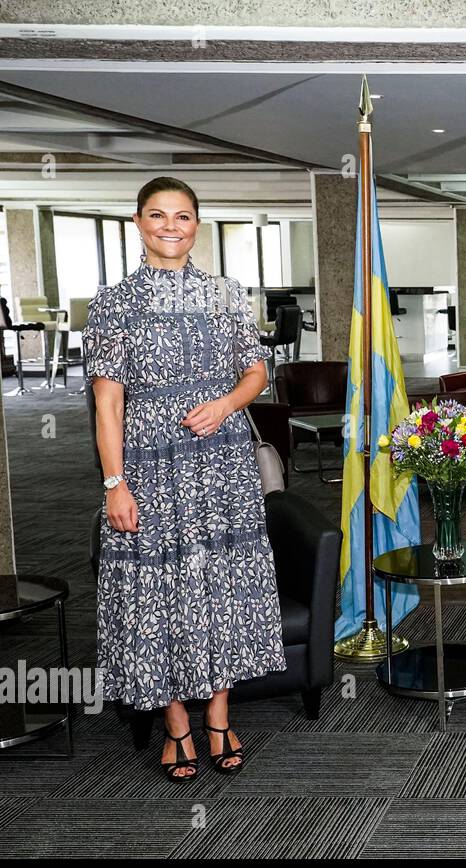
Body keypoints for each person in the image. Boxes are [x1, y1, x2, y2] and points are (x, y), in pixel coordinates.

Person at [85, 177, 285, 783]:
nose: (171, 226)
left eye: (183, 216)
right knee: (158, 592)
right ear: (138, 223)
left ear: (198, 224)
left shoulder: (227, 295)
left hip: (221, 465)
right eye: (157, 215)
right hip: (148, 467)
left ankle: (219, 717)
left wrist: (225, 405)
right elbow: (107, 405)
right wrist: (114, 483)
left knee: (221, 590)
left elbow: (258, 375)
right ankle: (177, 725)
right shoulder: (112, 303)